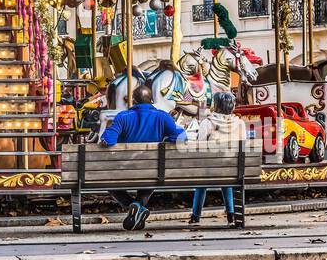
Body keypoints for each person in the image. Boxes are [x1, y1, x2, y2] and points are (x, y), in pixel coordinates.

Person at [101, 84, 185, 231]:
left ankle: (131, 205)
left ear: (133, 100)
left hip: (124, 170)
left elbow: (108, 140)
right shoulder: (163, 117)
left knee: (107, 182)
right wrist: (166, 140)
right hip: (153, 171)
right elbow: (181, 137)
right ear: (151, 100)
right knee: (151, 178)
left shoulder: (123, 117)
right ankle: (138, 206)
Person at [188, 89, 248, 225]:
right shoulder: (240, 124)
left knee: (201, 182)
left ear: (216, 105)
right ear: (232, 106)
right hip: (233, 170)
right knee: (226, 178)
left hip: (209, 169)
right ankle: (231, 216)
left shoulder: (207, 123)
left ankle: (195, 217)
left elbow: (200, 146)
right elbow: (243, 147)